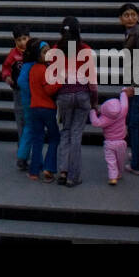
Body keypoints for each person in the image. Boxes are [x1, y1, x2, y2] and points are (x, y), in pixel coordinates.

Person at [53, 16, 96, 187]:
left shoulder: (56, 49)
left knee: (66, 132)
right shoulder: (85, 49)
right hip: (82, 94)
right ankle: (73, 175)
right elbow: (92, 80)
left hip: (64, 95)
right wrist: (94, 101)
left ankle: (62, 171)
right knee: (76, 135)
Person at [120, 2, 139, 175]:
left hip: (138, 84)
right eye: (126, 15)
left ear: (138, 17)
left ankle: (137, 164)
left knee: (134, 122)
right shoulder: (132, 33)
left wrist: (133, 85)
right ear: (120, 19)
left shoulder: (138, 34)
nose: (130, 18)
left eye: (133, 14)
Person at [27, 43, 62, 182]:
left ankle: (34, 171)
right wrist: (60, 80)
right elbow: (49, 90)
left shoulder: (32, 69)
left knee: (38, 139)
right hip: (47, 108)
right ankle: (49, 168)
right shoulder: (44, 70)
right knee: (54, 138)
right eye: (44, 52)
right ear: (37, 55)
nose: (48, 54)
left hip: (34, 107)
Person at [0, 25, 32, 170]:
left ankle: (24, 151)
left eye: (24, 39)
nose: (22, 42)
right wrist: (6, 77)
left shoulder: (33, 52)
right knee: (22, 122)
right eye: (19, 40)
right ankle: (22, 153)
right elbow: (5, 67)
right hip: (19, 92)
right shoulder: (13, 55)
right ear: (14, 40)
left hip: (33, 93)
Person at [88, 90, 129, 185]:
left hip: (109, 143)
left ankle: (112, 177)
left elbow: (95, 122)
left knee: (111, 160)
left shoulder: (105, 119)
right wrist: (123, 93)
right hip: (121, 142)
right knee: (121, 159)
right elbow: (125, 104)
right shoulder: (123, 112)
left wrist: (92, 112)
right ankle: (119, 172)